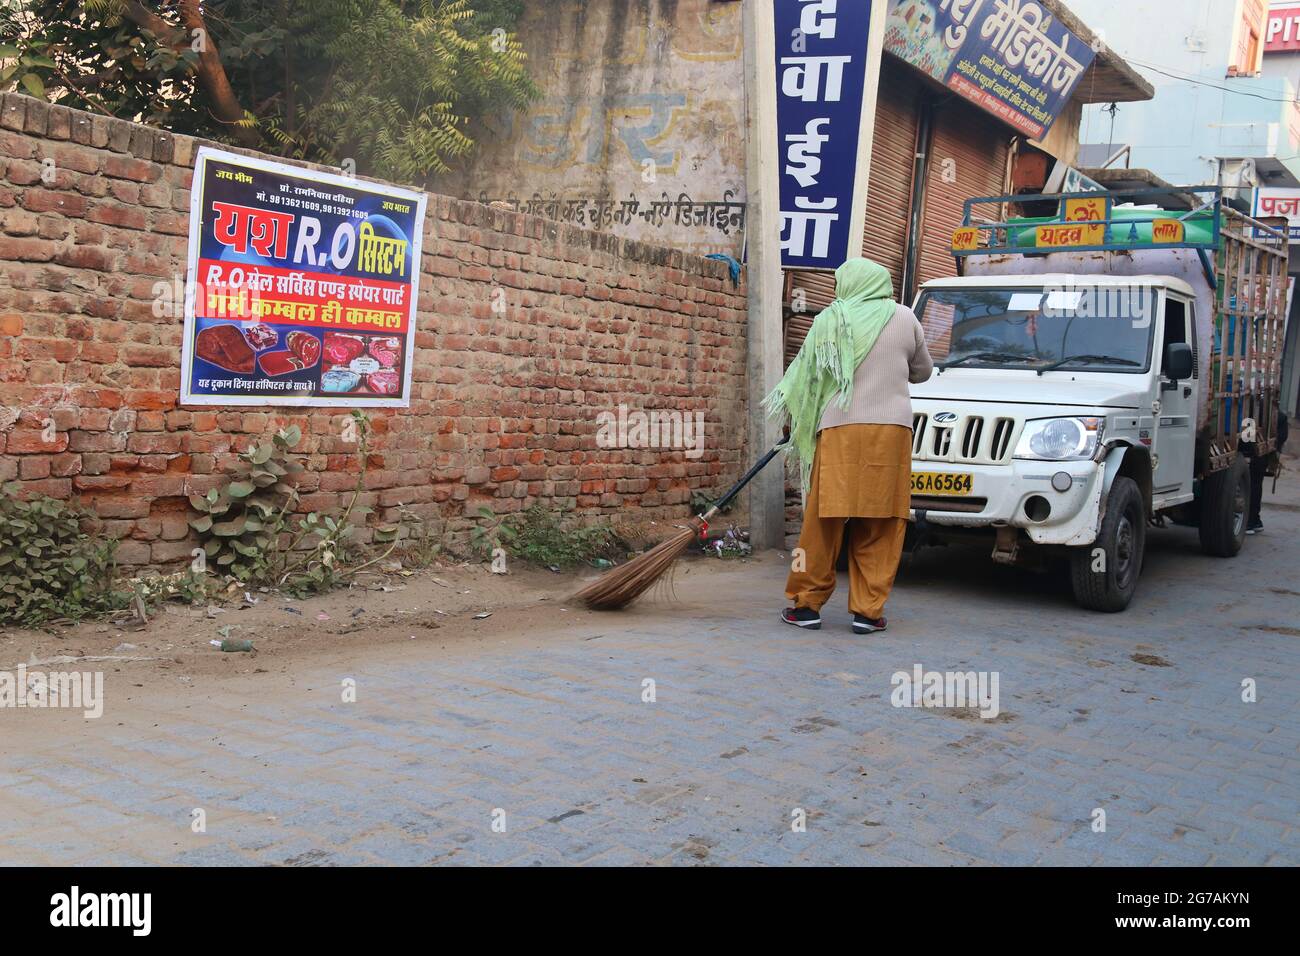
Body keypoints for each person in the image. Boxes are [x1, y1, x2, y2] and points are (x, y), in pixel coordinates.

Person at [765, 257, 933, 634]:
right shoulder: (905, 317)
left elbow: (807, 379)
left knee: (823, 520)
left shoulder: (829, 320)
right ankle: (867, 613)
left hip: (839, 428)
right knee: (881, 521)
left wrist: (800, 420)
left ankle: (806, 606)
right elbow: (923, 371)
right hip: (891, 431)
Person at [1247, 407, 1288, 535]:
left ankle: (1252, 521)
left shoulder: (1250, 411)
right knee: (1255, 484)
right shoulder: (1279, 416)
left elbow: (1246, 437)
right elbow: (1280, 439)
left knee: (1253, 484)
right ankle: (1254, 520)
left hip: (1256, 454)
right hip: (1261, 454)